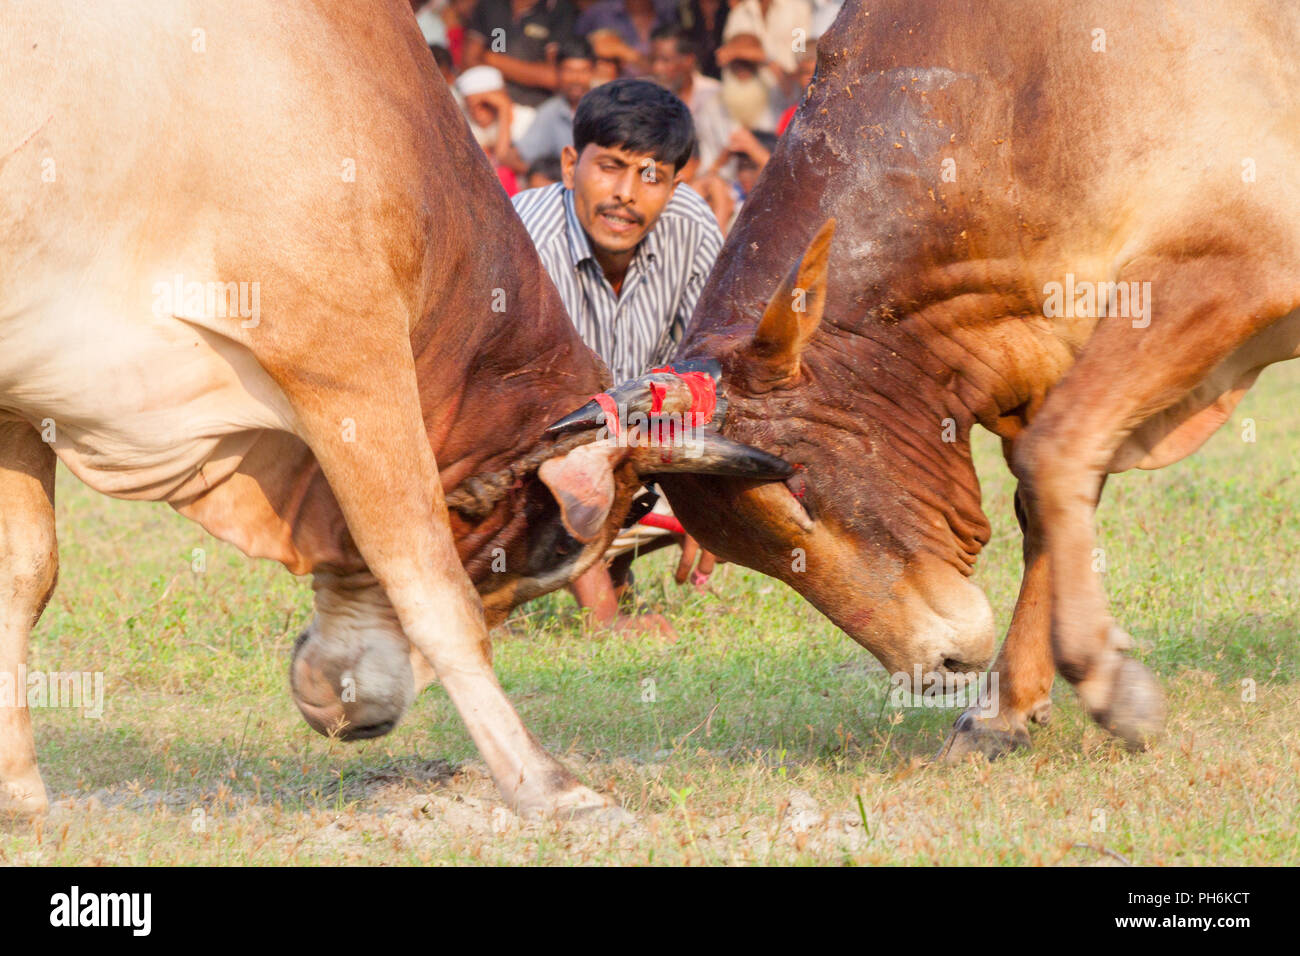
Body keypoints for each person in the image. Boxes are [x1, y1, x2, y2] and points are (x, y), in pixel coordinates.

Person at [512, 78, 724, 635]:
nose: (627, 192)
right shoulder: (527, 237)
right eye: (609, 166)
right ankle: (513, 590)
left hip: (625, 462)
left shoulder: (694, 227)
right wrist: (606, 620)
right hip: (522, 468)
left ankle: (613, 565)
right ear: (568, 165)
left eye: (651, 174)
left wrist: (712, 504)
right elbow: (542, 431)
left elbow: (711, 374)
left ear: (676, 186)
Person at [463, 0, 578, 108]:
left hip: (533, 109)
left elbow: (555, 77)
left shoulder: (558, 8)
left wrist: (493, 59)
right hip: (489, 104)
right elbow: (469, 60)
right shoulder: (490, 4)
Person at [649, 25, 732, 169]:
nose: (657, 68)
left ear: (688, 61)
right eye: (654, 60)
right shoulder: (649, 97)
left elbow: (728, 146)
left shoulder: (715, 95)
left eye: (665, 61)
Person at [514, 37, 595, 170]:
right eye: (569, 71)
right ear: (558, 72)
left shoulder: (605, 108)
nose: (577, 79)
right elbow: (523, 157)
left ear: (593, 72)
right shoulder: (550, 111)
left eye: (583, 71)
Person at [457, 65, 536, 194]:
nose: (478, 114)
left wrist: (503, 109)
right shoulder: (469, 125)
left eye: (485, 105)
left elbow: (503, 157)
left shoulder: (528, 119)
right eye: (471, 108)